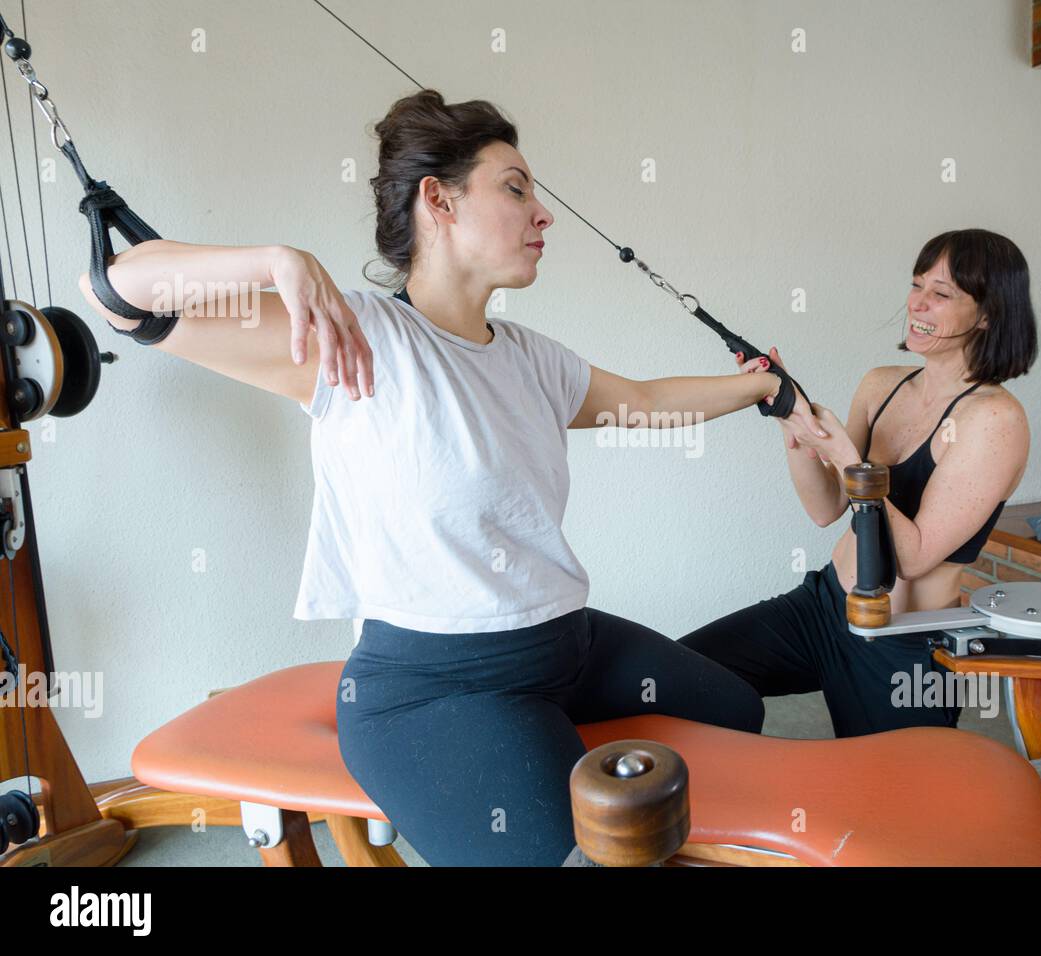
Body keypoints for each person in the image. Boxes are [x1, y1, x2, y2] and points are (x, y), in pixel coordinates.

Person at [77, 89, 826, 866]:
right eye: (515, 188)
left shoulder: (530, 356)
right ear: (438, 200)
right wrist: (276, 262)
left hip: (570, 644)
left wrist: (763, 389)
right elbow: (119, 289)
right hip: (434, 688)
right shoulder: (356, 336)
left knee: (734, 711)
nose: (544, 214)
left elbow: (641, 403)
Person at [679, 229, 1037, 738]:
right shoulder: (881, 384)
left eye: (942, 294)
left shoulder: (996, 419)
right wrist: (792, 423)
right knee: (674, 676)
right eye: (916, 285)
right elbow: (825, 507)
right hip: (824, 606)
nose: (918, 303)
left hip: (903, 639)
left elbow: (911, 557)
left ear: (988, 314)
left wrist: (846, 455)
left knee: (891, 809)